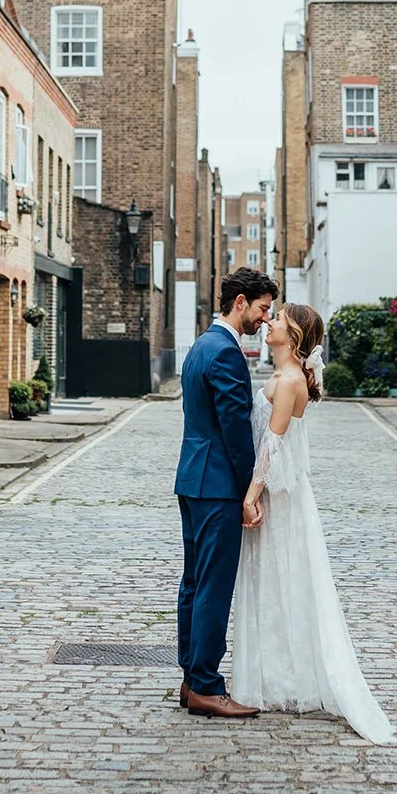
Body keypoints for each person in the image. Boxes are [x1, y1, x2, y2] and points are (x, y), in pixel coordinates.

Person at [228, 303, 397, 744]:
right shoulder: (284, 375)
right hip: (280, 491)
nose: (269, 322)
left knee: (281, 579)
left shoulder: (288, 380)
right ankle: (277, 677)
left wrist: (250, 497)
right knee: (274, 581)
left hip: (278, 496)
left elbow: (273, 445)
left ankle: (281, 681)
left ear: (295, 336)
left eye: (278, 320)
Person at [173, 267, 278, 719]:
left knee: (194, 583)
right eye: (262, 308)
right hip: (217, 486)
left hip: (192, 479)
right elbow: (235, 430)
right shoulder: (227, 353)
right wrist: (247, 492)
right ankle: (207, 686)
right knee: (213, 588)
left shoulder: (201, 346)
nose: (265, 317)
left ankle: (190, 679)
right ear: (240, 302)